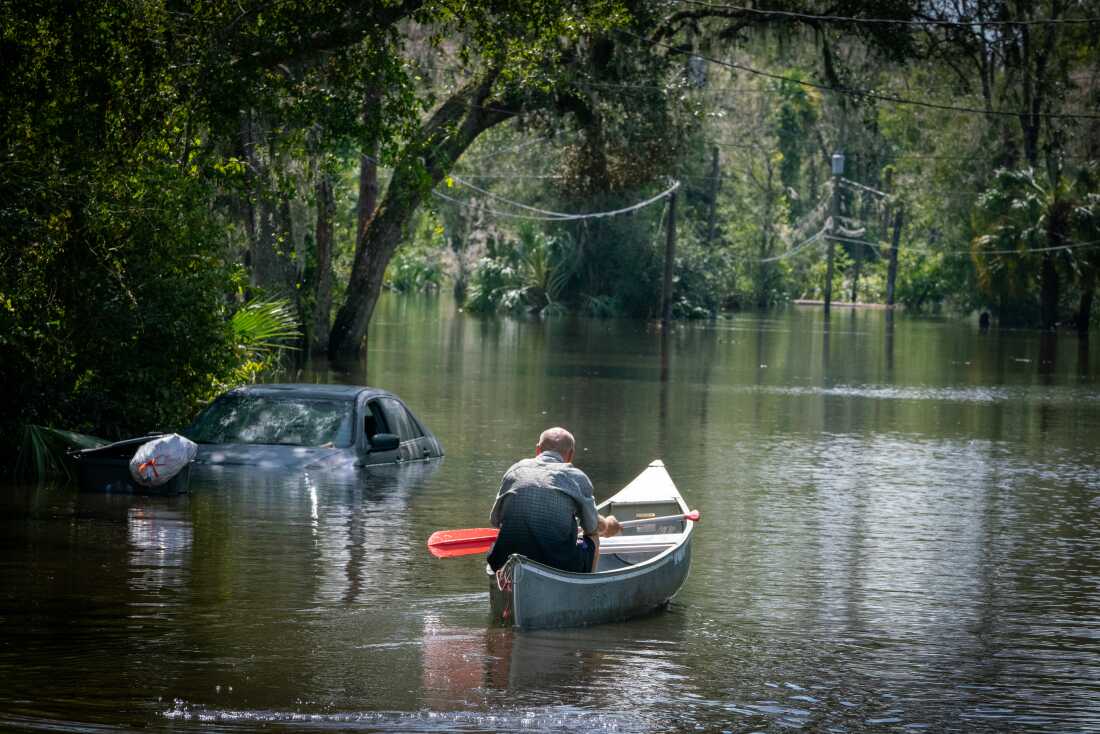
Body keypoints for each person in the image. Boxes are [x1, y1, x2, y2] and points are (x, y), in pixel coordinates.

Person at [487, 427, 621, 573]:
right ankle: (585, 588)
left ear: (538, 450)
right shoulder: (576, 477)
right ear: (570, 455)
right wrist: (608, 524)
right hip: (556, 566)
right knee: (593, 538)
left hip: (505, 560)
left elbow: (495, 520)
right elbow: (593, 527)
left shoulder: (514, 471)